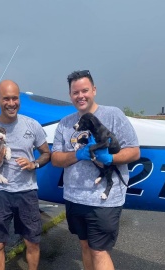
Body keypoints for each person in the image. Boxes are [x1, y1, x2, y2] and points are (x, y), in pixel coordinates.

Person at [51, 70, 140, 270]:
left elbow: (134, 152)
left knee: (99, 251)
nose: (80, 96)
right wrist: (78, 155)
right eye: (76, 92)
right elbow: (56, 159)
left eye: (85, 90)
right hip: (74, 197)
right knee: (85, 246)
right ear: (70, 95)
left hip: (104, 200)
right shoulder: (65, 123)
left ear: (94, 90)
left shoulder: (114, 115)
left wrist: (111, 158)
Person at [0, 79, 51, 270]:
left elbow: (47, 153)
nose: (11, 103)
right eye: (6, 99)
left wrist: (34, 164)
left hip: (27, 192)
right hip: (0, 192)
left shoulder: (32, 125)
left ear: (19, 99)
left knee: (32, 241)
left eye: (15, 98)